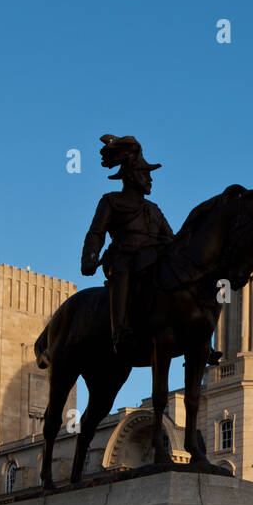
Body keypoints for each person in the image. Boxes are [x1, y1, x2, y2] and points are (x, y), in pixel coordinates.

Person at [81, 134, 175, 354]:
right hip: (125, 257)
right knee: (123, 272)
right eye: (145, 174)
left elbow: (171, 237)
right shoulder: (111, 201)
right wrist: (90, 257)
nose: (150, 179)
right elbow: (96, 233)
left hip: (153, 260)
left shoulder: (153, 209)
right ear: (132, 176)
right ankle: (120, 330)